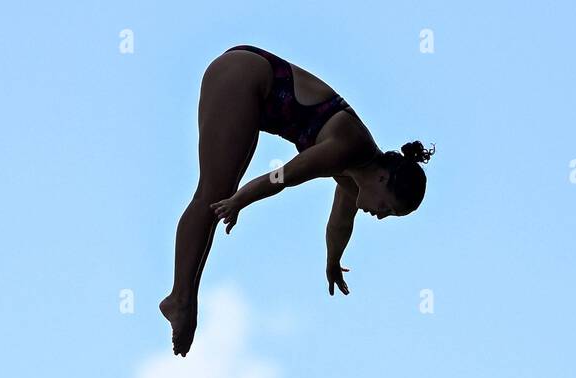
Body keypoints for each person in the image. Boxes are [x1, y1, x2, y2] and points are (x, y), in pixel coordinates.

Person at [160, 44, 435, 355]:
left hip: (256, 90)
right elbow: (283, 176)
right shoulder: (348, 148)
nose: (381, 216)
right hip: (243, 76)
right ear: (384, 179)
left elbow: (341, 223)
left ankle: (183, 300)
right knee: (213, 195)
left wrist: (333, 261)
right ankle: (180, 301)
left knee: (218, 195)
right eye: (388, 208)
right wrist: (241, 200)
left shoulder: (354, 175)